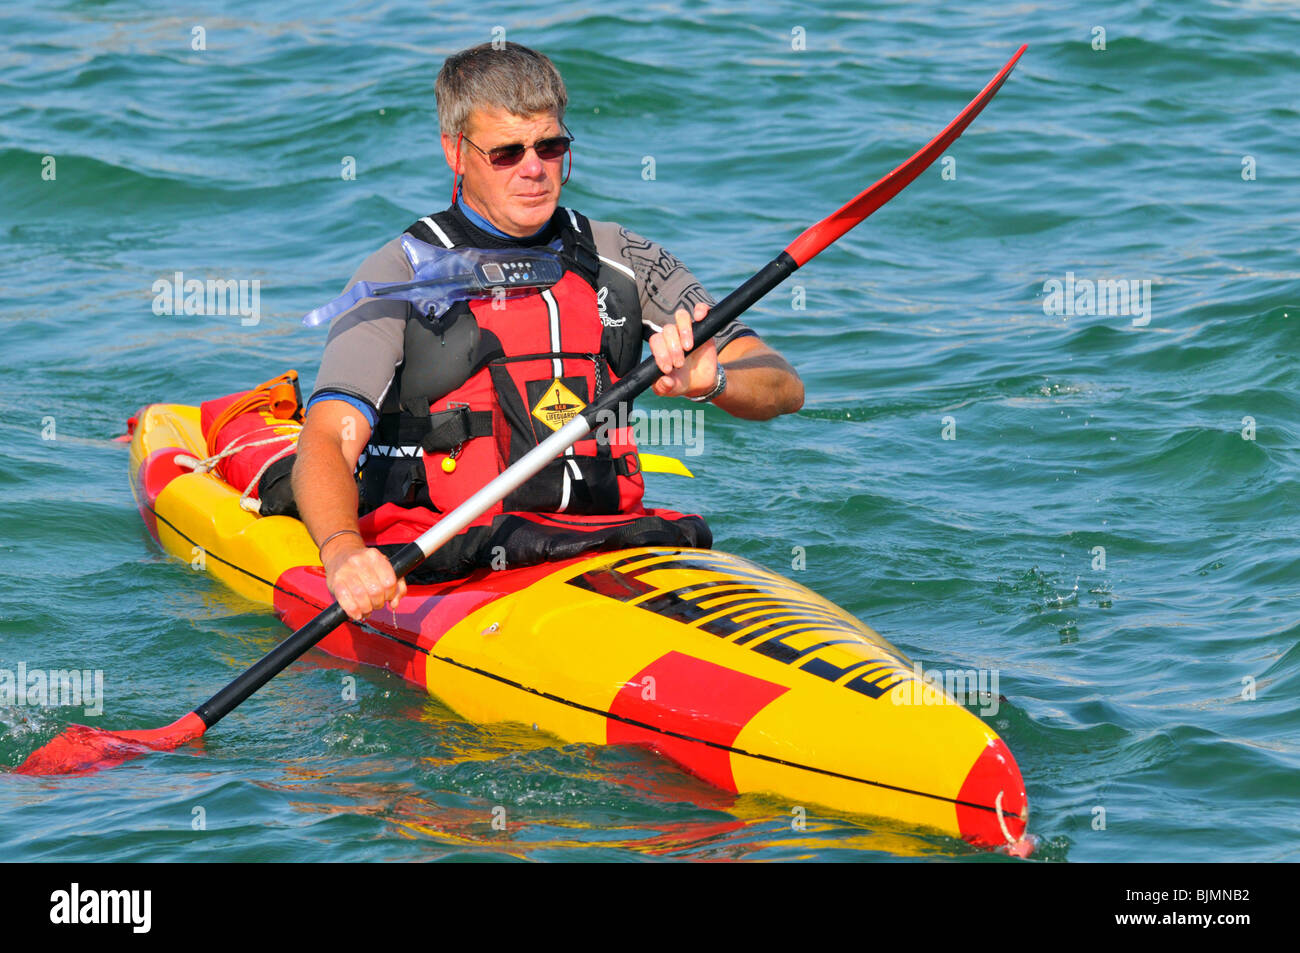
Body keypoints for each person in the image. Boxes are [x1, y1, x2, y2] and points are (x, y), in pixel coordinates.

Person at [293, 42, 804, 622]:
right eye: (507, 152)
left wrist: (714, 384)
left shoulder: (624, 257)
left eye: (550, 146)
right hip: (447, 557)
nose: (534, 167)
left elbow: (783, 385)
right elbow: (330, 437)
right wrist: (342, 553)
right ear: (456, 153)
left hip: (613, 547)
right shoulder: (400, 272)